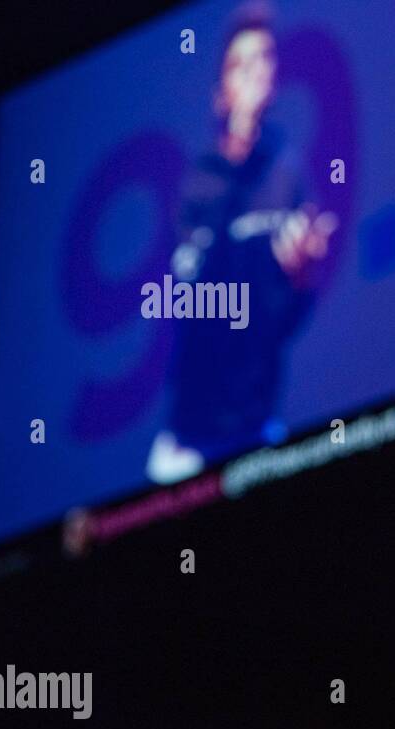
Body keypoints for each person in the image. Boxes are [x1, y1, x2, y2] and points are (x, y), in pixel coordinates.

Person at [147, 3, 336, 483]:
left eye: (264, 59)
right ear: (220, 94)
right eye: (240, 64)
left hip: (255, 426)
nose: (255, 72)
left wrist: (300, 277)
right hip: (188, 434)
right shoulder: (199, 181)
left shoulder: (288, 173)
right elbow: (191, 302)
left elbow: (284, 319)